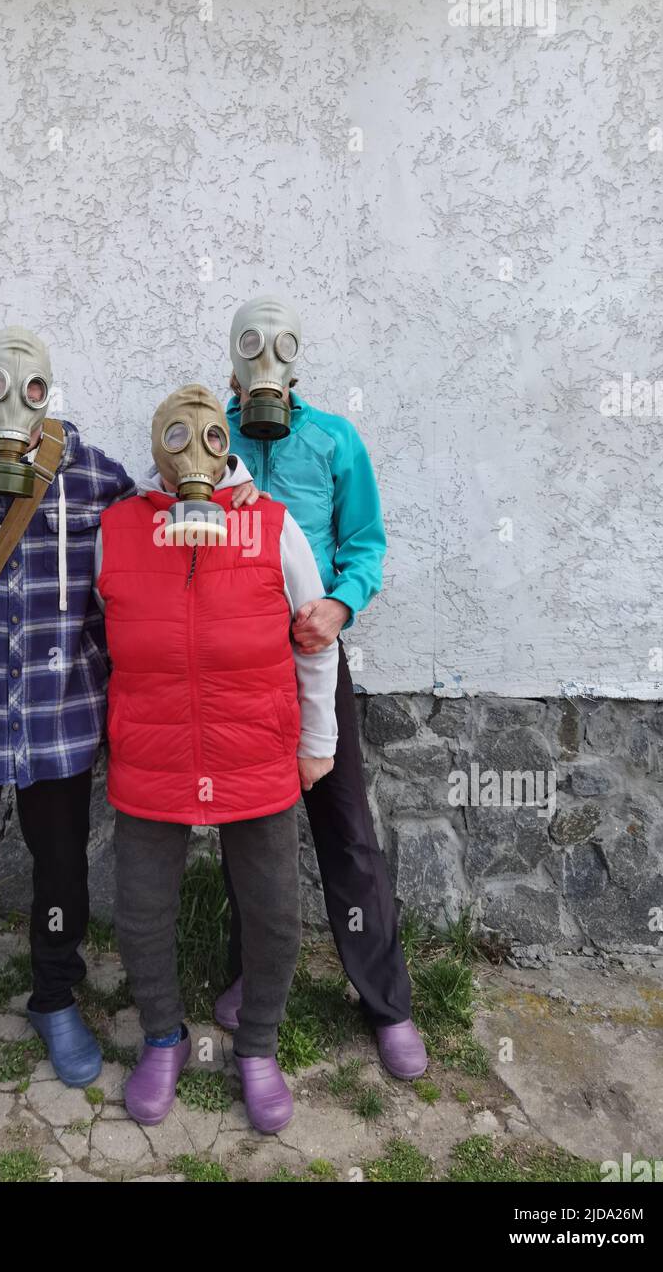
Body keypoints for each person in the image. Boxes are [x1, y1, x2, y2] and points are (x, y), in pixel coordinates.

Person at [94, 384, 338, 1134]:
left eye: (205, 436)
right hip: (154, 747)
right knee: (140, 910)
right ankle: (163, 1037)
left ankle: (257, 1045)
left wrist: (317, 740)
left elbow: (314, 638)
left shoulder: (272, 524)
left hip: (253, 747)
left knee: (272, 911)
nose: (192, 452)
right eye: (176, 437)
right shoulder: (118, 528)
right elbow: (99, 635)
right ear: (157, 449)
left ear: (224, 445)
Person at [215, 295, 428, 1081]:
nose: (263, 361)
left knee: (344, 830)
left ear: (295, 359)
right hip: (233, 675)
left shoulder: (336, 439)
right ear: (232, 359)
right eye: (250, 346)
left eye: (275, 346)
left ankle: (386, 1002)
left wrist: (338, 605)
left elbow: (367, 544)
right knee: (251, 835)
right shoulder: (208, 435)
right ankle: (254, 976)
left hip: (312, 664)